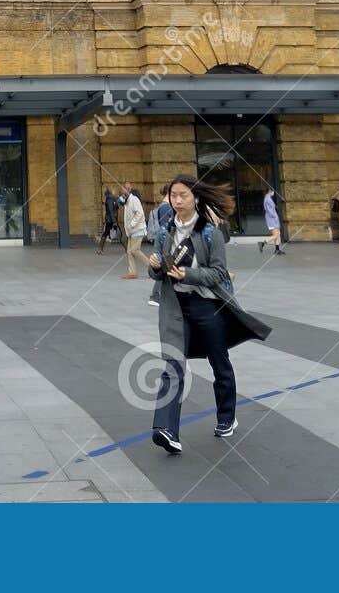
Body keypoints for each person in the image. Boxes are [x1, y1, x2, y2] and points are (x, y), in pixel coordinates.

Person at [148, 174, 271, 454]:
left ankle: (226, 417)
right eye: (173, 196)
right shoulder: (165, 231)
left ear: (196, 198)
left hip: (207, 306)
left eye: (183, 196)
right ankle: (166, 430)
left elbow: (217, 273)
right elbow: (155, 273)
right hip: (175, 307)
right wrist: (156, 266)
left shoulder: (209, 233)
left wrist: (187, 273)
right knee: (172, 364)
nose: (176, 201)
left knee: (219, 362)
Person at [121, 183, 147, 280]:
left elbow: (139, 213)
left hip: (138, 229)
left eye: (123, 190)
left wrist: (131, 224)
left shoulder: (134, 199)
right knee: (129, 252)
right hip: (132, 231)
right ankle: (132, 272)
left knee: (134, 250)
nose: (122, 192)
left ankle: (153, 267)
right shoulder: (127, 201)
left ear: (128, 190)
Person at [257, 188, 286, 256]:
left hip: (273, 219)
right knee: (275, 235)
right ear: (270, 191)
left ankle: (277, 249)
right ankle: (262, 243)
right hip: (272, 220)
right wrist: (274, 216)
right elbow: (269, 210)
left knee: (278, 234)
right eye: (273, 191)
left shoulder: (268, 198)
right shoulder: (267, 199)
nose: (273, 192)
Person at [97, 188, 122, 253]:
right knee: (107, 233)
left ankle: (100, 249)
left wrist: (119, 198)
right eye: (113, 190)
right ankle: (100, 249)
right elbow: (111, 211)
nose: (114, 191)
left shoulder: (112, 198)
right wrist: (114, 221)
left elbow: (118, 204)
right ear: (110, 192)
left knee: (106, 233)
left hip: (111, 219)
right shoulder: (110, 199)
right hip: (110, 220)